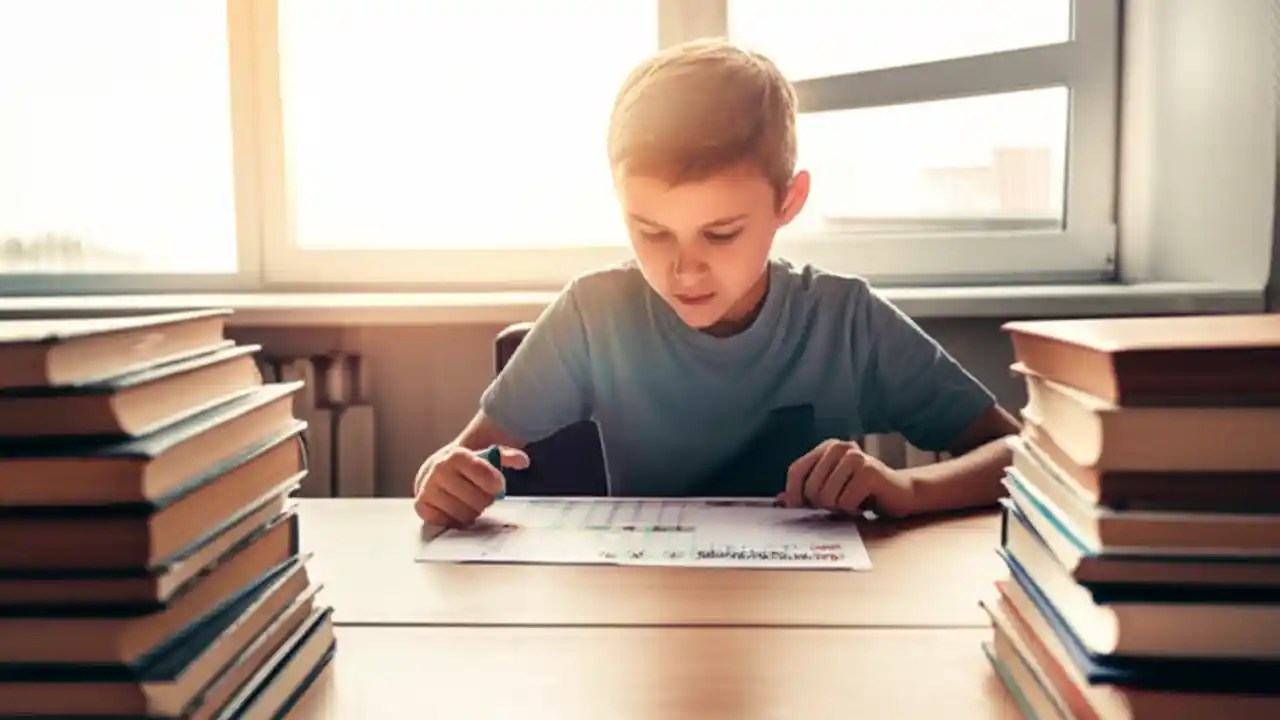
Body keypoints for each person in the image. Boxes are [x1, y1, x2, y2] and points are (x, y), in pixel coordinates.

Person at [414, 39, 1020, 527]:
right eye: (651, 232)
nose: (684, 270)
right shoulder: (593, 314)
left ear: (788, 202)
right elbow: (453, 461)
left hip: (807, 614)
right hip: (646, 610)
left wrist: (907, 489)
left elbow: (1017, 453)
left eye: (722, 233)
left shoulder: (846, 320)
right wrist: (441, 481)